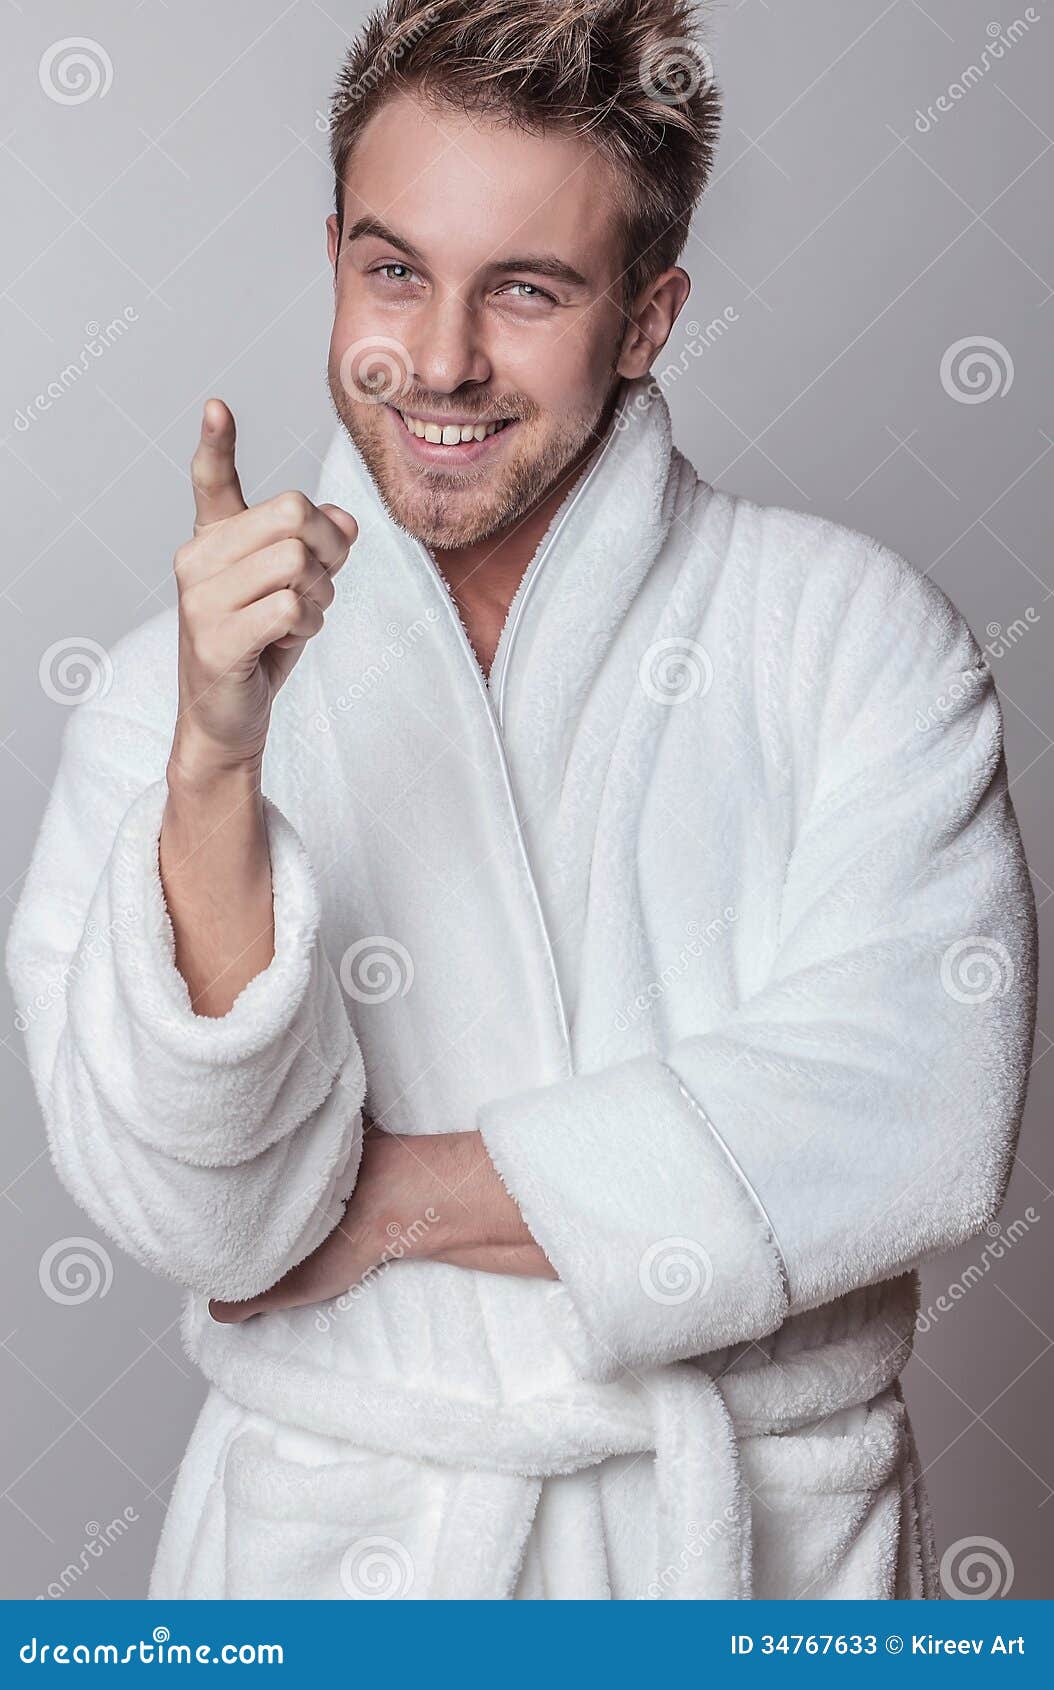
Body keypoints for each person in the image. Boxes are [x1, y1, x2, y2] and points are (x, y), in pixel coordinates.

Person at [7, 0, 1037, 1601]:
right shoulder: (168, 683)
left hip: (748, 1555)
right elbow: (199, 1218)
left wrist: (380, 1205)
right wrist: (216, 761)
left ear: (646, 316)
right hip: (334, 1562)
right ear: (334, 251)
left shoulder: (848, 634)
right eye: (393, 268)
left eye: (528, 291)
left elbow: (913, 1110)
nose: (439, 361)